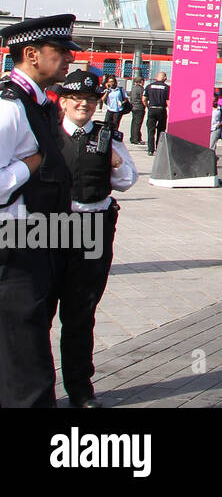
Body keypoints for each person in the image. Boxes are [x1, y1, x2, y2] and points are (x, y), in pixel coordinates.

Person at [0, 14, 78, 407]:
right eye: (60, 52)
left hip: (34, 238)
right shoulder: (10, 107)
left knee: (25, 347)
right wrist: (30, 165)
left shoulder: (36, 103)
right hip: (12, 244)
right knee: (26, 358)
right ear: (31, 54)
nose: (68, 59)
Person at [48, 70, 138, 408]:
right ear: (65, 102)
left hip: (92, 227)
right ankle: (41, 386)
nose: (83, 105)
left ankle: (80, 389)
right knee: (41, 310)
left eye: (89, 100)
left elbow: (127, 180)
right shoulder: (48, 136)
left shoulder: (107, 136)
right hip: (49, 228)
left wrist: (114, 164)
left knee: (81, 312)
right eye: (76, 100)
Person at [144, 71, 170, 155]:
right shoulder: (166, 87)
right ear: (164, 78)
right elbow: (168, 101)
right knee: (161, 130)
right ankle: (158, 148)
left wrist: (148, 106)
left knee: (150, 130)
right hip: (161, 110)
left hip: (152, 109)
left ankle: (150, 149)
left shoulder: (149, 86)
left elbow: (144, 99)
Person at [128, 75, 146, 145]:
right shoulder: (141, 89)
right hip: (139, 107)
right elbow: (143, 98)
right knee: (138, 124)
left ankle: (133, 137)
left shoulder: (133, 88)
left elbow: (131, 98)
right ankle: (136, 139)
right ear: (141, 81)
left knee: (134, 123)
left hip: (133, 107)